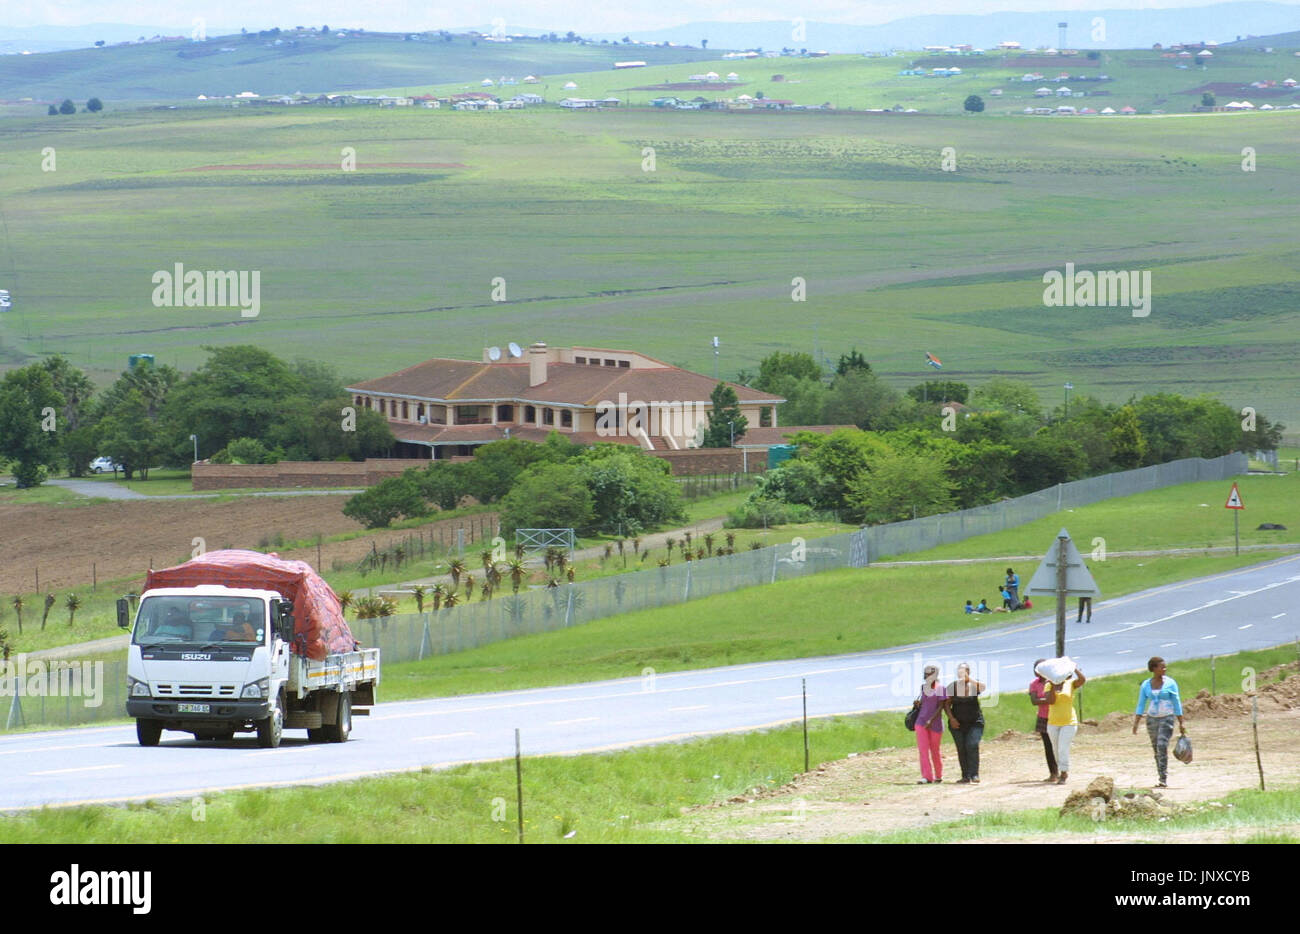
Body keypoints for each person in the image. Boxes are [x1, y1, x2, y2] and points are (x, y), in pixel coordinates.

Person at [1132, 656, 1185, 788]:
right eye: (1162, 667)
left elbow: (1176, 702)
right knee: (1156, 748)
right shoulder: (1146, 685)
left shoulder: (1170, 683)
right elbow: (1141, 704)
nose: (1164, 669)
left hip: (1167, 717)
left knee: (1162, 745)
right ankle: (1160, 774)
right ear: (1154, 669)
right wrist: (1136, 722)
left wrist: (1181, 722)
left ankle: (1163, 777)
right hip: (1152, 719)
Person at [1041, 664, 1086, 784]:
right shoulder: (1048, 685)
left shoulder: (1070, 683)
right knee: (1056, 749)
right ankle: (1061, 770)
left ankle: (1064, 773)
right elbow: (1051, 701)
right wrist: (1052, 685)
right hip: (1053, 722)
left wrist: (1074, 668)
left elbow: (1082, 680)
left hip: (1069, 722)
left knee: (1063, 748)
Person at [944, 662, 986, 783]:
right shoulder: (952, 686)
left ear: (969, 672)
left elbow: (983, 687)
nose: (961, 673)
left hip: (975, 721)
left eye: (964, 671)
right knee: (961, 748)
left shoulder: (974, 684)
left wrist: (969, 679)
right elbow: (946, 704)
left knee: (972, 744)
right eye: (960, 671)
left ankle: (974, 774)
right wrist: (951, 718)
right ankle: (965, 775)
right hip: (957, 723)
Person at [915, 665, 947, 784]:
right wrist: (918, 704)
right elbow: (925, 704)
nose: (928, 676)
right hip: (921, 722)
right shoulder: (923, 687)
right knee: (923, 750)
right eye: (926, 673)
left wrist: (931, 720)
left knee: (935, 750)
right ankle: (927, 776)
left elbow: (941, 706)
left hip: (935, 724)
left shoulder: (940, 688)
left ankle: (938, 775)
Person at [1028, 660, 1058, 782]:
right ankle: (1053, 773)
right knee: (1048, 746)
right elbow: (1034, 701)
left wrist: (1044, 699)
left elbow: (1054, 699)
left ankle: (1061, 770)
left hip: (1056, 716)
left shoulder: (1055, 681)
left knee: (1057, 745)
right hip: (1043, 717)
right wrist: (1048, 699)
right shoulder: (1034, 684)